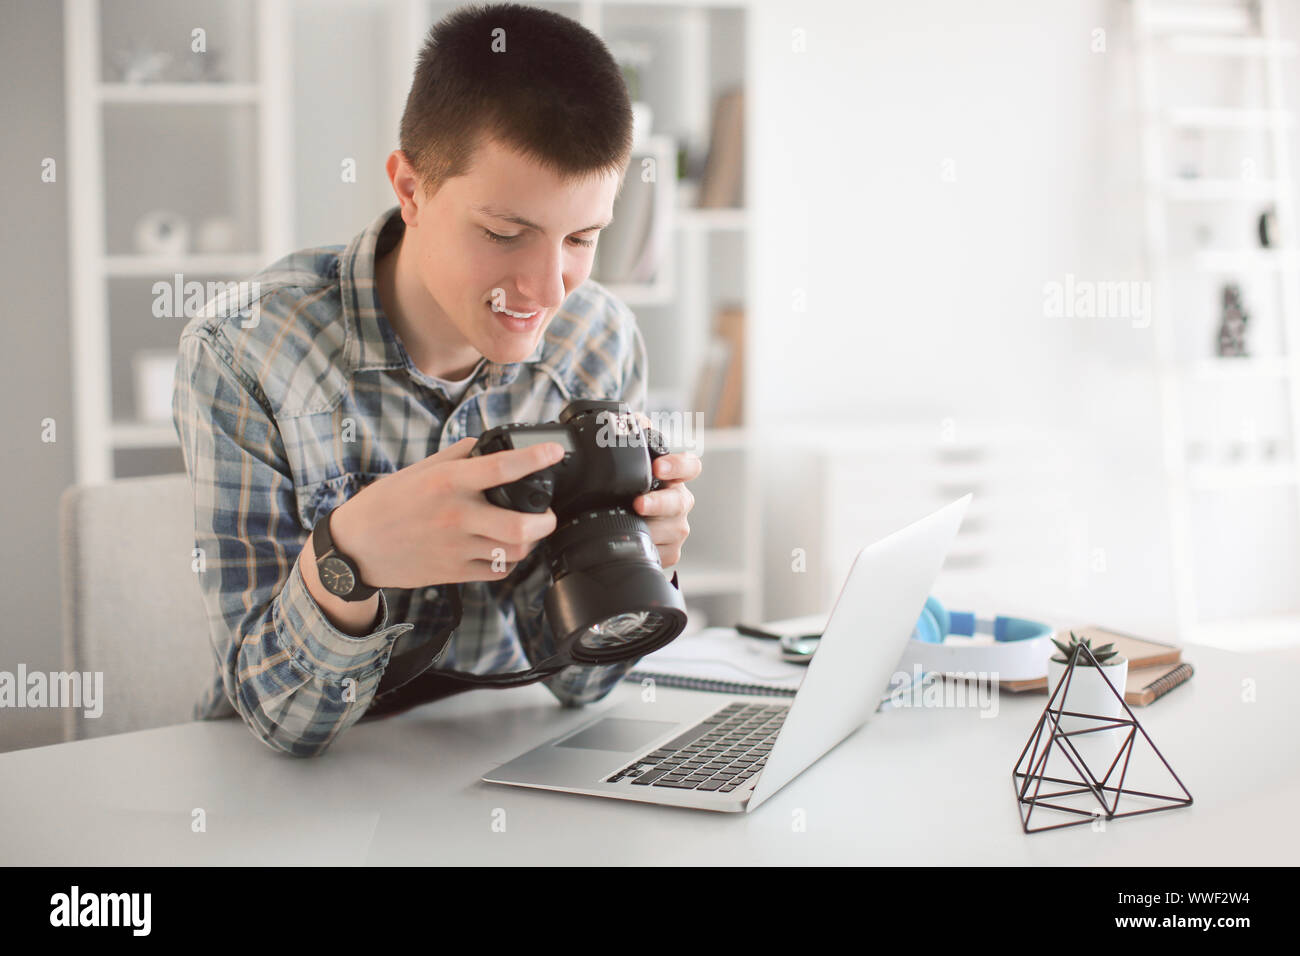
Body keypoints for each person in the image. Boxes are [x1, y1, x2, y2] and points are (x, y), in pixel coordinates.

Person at [172, 3, 700, 757]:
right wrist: (349, 561)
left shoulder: (596, 336)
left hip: (497, 753)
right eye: (504, 233)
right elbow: (277, 722)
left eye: (582, 238)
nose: (549, 290)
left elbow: (580, 686)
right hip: (284, 791)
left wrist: (633, 566)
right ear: (411, 189)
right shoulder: (246, 351)